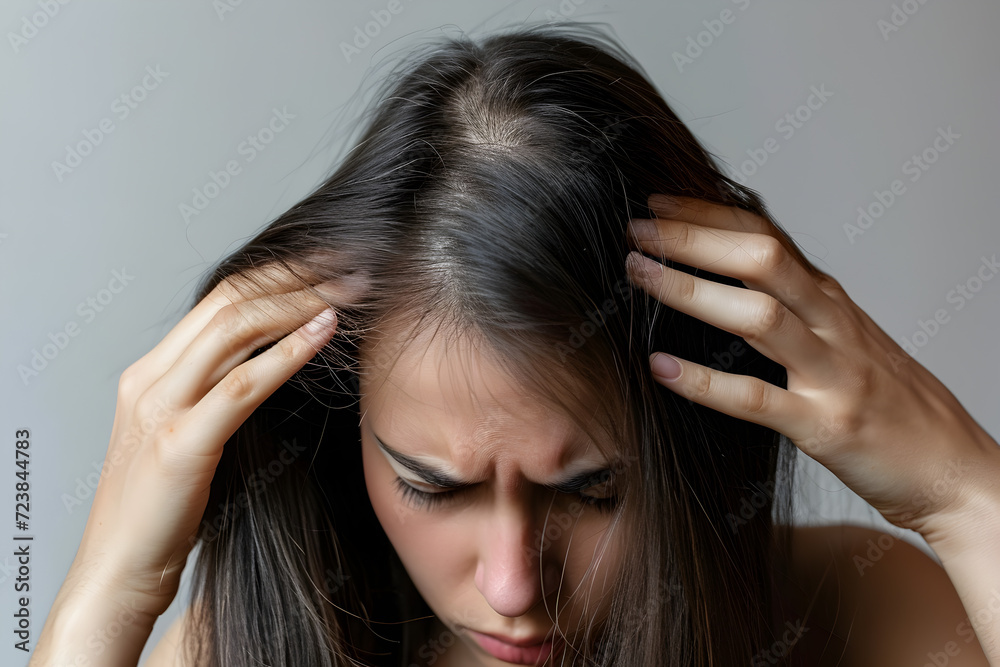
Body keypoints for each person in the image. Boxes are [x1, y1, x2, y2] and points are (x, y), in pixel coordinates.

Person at [31, 21, 999, 667]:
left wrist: (966, 493)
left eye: (590, 490)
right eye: (431, 485)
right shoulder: (246, 646)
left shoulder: (862, 617)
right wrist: (111, 591)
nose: (512, 585)